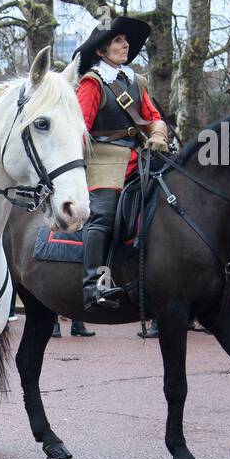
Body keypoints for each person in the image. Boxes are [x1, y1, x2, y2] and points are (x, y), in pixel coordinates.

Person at [72, 16, 169, 309]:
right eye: (117, 40)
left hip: (139, 156)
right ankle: (93, 286)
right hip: (104, 160)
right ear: (101, 51)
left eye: (125, 40)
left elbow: (153, 117)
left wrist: (159, 135)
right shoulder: (92, 83)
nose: (125, 44)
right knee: (102, 214)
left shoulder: (135, 82)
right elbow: (79, 130)